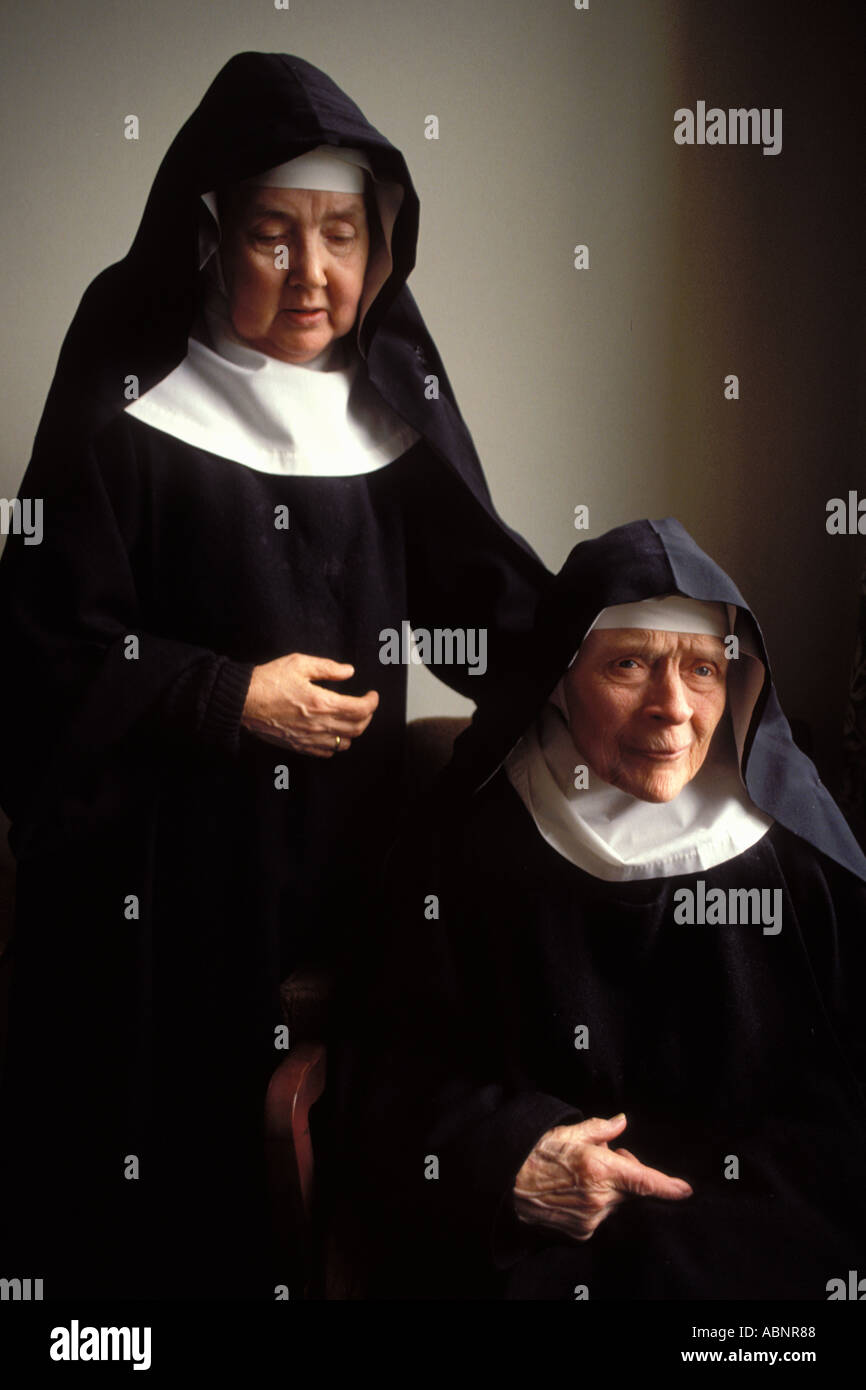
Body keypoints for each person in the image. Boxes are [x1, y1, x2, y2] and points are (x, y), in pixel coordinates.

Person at [0, 53, 550, 1299]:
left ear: (382, 246)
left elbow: (499, 598)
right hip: (164, 867)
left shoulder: (386, 406)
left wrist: (625, 650)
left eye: (344, 236)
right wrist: (226, 696)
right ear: (208, 235)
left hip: (352, 863)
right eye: (273, 235)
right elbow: (39, 645)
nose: (315, 275)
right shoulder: (126, 405)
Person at [343, 517, 866, 1300]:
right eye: (629, 664)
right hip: (537, 1236)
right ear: (559, 676)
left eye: (703, 670)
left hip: (747, 1238)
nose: (674, 708)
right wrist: (508, 1152)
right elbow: (388, 1063)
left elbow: (846, 1103)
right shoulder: (467, 839)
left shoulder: (796, 854)